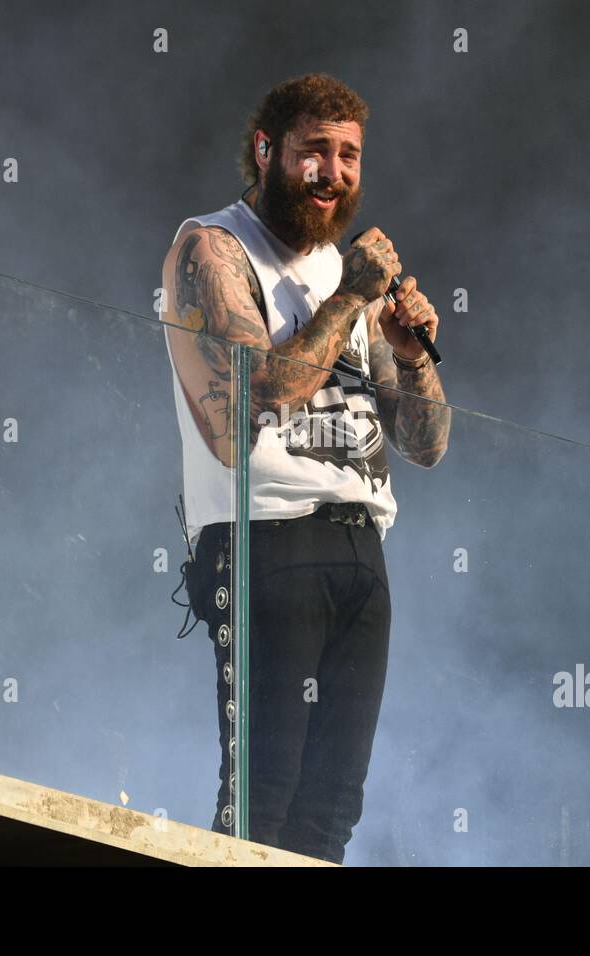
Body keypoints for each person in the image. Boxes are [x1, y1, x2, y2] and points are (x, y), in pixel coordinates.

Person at [160, 72, 451, 864]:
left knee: (332, 811)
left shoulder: (343, 273)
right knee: (263, 794)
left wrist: (410, 355)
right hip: (266, 541)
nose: (334, 173)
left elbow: (425, 445)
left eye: (349, 156)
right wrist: (347, 299)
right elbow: (252, 403)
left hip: (363, 549)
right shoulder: (213, 246)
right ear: (266, 151)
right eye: (314, 151)